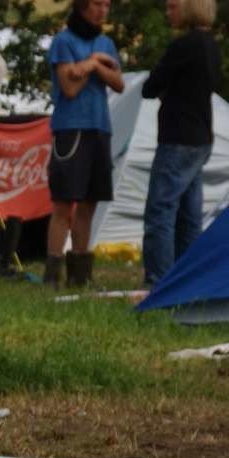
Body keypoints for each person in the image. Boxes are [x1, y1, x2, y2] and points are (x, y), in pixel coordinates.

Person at [44, 0, 124, 289]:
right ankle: (52, 273)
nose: (103, 10)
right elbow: (70, 87)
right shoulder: (63, 41)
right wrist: (94, 62)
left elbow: (119, 82)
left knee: (89, 202)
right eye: (96, 4)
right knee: (64, 202)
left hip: (100, 127)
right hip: (71, 129)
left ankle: (80, 274)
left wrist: (90, 67)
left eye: (106, 5)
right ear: (82, 7)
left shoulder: (106, 42)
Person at [140, 0, 221, 285]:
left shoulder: (183, 47)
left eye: (173, 7)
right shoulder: (211, 45)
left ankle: (158, 278)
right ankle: (188, 279)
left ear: (189, 8)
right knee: (189, 214)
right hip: (201, 137)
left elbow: (150, 87)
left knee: (160, 210)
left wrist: (165, 88)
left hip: (177, 138)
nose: (167, 12)